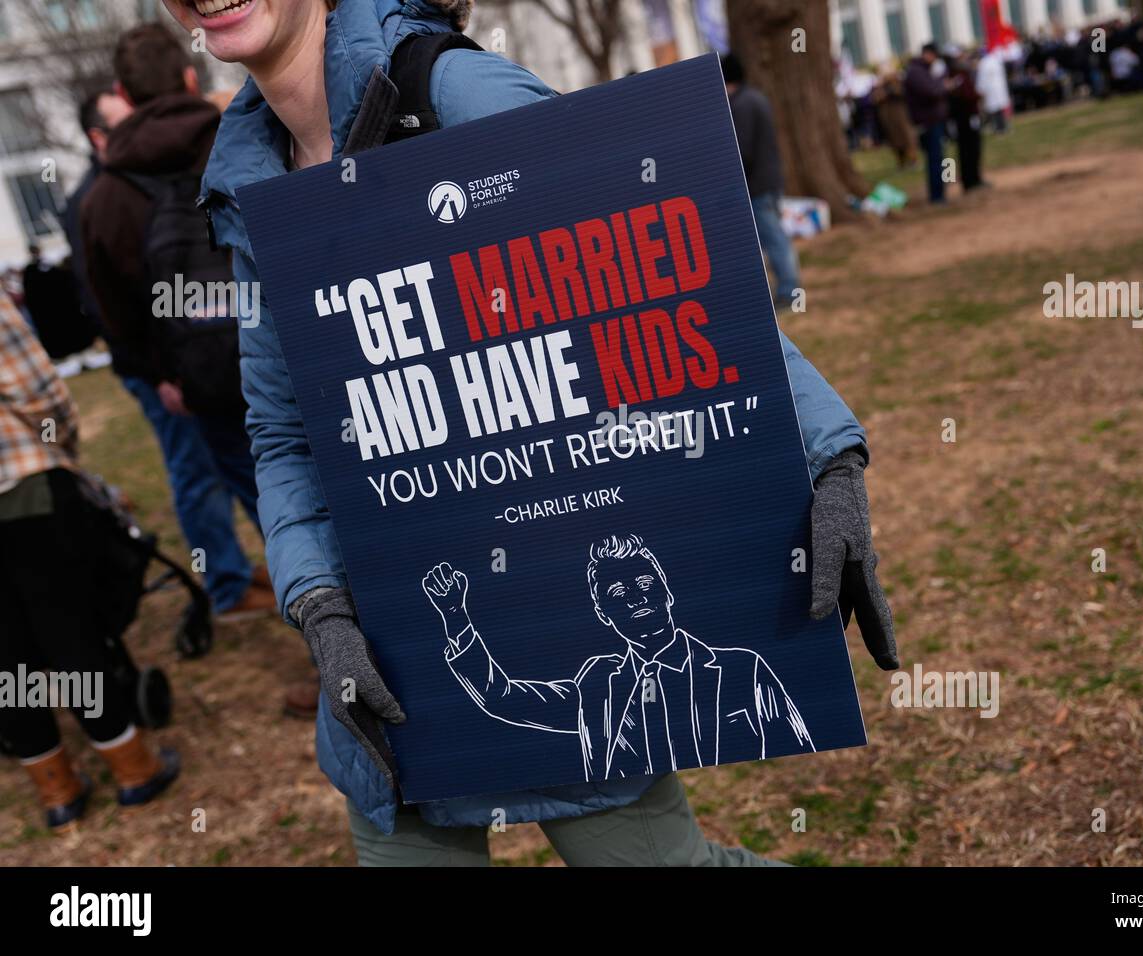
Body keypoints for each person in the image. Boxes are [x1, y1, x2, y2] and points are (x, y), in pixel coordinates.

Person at [169, 0, 896, 868]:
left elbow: (668, 282)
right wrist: (319, 604)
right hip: (394, 645)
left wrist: (828, 457)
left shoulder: (454, 91)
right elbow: (286, 431)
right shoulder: (245, 169)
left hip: (552, 603)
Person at [67, 86, 284, 633]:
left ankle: (244, 577)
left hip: (202, 360)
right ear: (99, 137)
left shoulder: (161, 171)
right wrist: (158, 373)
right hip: (166, 371)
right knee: (199, 475)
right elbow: (107, 303)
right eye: (123, 125)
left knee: (249, 473)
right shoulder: (98, 198)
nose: (138, 132)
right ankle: (229, 584)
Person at [0, 289, 180, 832]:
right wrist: (66, 448)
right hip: (20, 480)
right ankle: (131, 766)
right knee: (67, 630)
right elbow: (35, 388)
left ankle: (57, 788)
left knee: (7, 650)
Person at [425, 535, 814, 780]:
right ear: (603, 613)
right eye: (619, 592)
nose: (637, 597)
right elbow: (503, 698)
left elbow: (801, 750)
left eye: (647, 584)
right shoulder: (597, 682)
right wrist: (456, 618)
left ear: (667, 592)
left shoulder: (741, 670)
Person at [720, 53, 802, 311]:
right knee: (775, 238)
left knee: (774, 239)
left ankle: (789, 291)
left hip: (758, 186)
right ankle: (786, 288)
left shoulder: (742, 104)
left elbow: (742, 150)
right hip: (768, 181)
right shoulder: (754, 98)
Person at [904, 43, 950, 204]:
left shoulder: (924, 71)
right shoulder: (916, 72)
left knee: (944, 158)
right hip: (928, 122)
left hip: (935, 119)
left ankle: (946, 187)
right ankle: (938, 194)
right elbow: (931, 92)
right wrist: (942, 85)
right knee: (935, 158)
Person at [947, 54, 987, 194]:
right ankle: (970, 180)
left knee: (968, 151)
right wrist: (978, 95)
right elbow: (967, 96)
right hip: (965, 120)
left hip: (964, 119)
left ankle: (972, 179)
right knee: (968, 151)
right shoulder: (958, 77)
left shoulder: (959, 76)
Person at [871, 68, 919, 167]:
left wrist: (890, 90)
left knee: (908, 140)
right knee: (895, 142)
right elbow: (876, 99)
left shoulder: (898, 84)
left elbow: (901, 93)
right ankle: (901, 163)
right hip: (889, 120)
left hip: (902, 118)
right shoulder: (879, 88)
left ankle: (913, 160)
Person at [975, 49, 1011, 133]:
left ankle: (999, 128)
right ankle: (1003, 126)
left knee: (994, 110)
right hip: (999, 87)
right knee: (999, 109)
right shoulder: (996, 60)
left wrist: (979, 89)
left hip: (991, 89)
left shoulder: (983, 63)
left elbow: (981, 79)